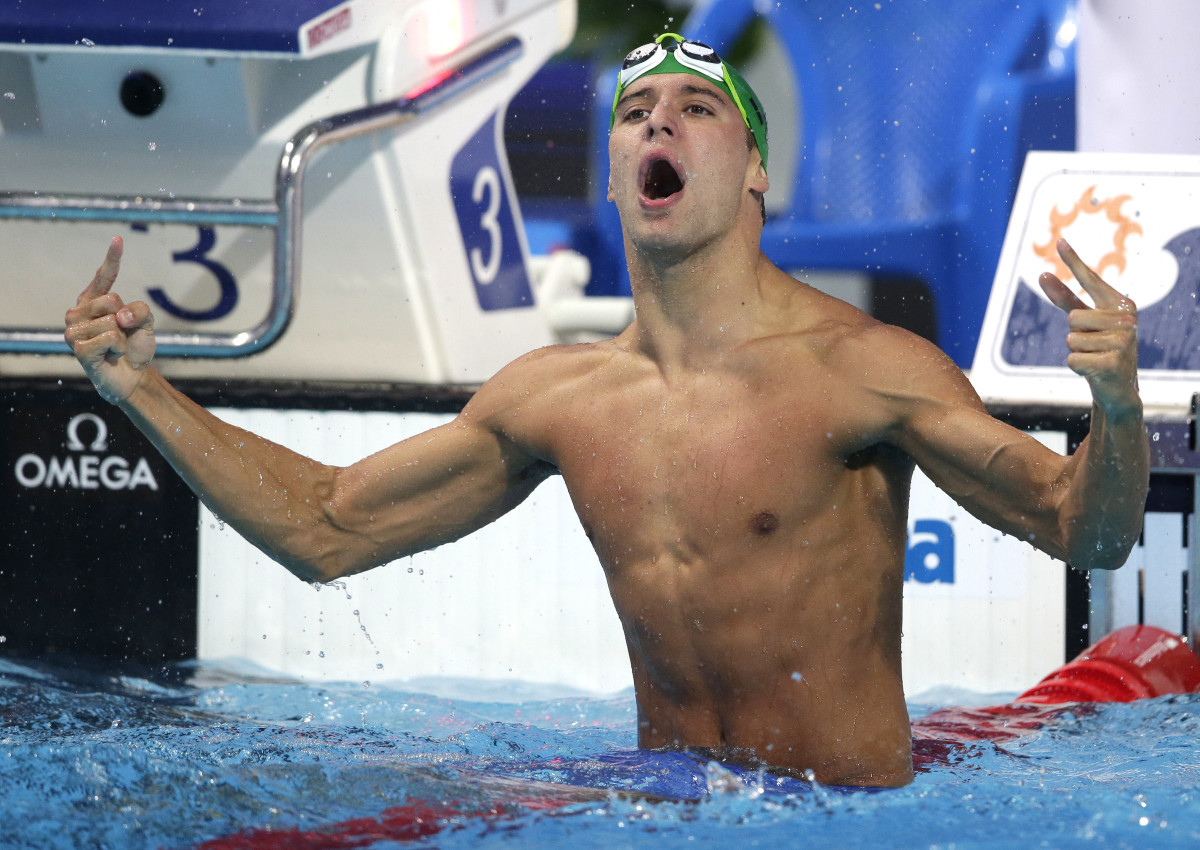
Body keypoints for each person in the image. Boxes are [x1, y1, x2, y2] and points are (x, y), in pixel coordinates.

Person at [63, 34, 1149, 788]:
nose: (657, 121)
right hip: (662, 809)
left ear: (755, 168)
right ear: (621, 172)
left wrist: (1115, 402)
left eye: (695, 109)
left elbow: (1084, 530)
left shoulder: (860, 370)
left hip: (853, 819)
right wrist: (140, 388)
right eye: (634, 113)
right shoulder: (561, 397)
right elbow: (327, 529)